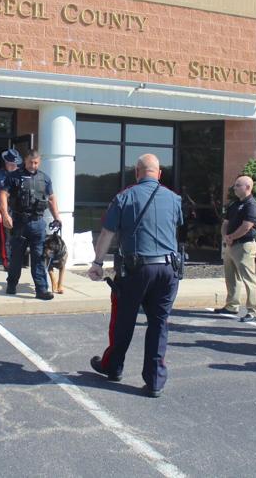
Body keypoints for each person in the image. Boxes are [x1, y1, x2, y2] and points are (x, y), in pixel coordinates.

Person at [87, 154, 183, 398]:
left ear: (137, 172)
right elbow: (174, 227)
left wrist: (98, 263)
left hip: (136, 270)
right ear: (159, 174)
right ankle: (155, 381)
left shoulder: (124, 197)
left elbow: (107, 233)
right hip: (168, 269)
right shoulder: (174, 198)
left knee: (124, 320)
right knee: (159, 324)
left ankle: (113, 366)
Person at [0, 150, 61, 300]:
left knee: (39, 257)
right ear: (25, 161)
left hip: (38, 223)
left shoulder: (45, 179)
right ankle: (12, 284)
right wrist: (5, 215)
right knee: (16, 257)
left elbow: (52, 199)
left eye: (36, 163)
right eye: (30, 162)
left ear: (39, 162)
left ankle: (41, 289)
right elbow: (3, 195)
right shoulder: (13, 177)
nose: (33, 165)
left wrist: (57, 217)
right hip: (20, 222)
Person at [212, 175, 256, 322]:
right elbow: (226, 223)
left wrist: (232, 237)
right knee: (231, 277)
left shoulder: (252, 205)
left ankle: (253, 311)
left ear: (247, 187)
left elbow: (247, 226)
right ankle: (231, 305)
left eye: (238, 185)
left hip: (244, 245)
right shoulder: (234, 204)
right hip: (231, 245)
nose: (234, 188)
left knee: (248, 278)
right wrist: (225, 236)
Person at [0, 149, 20, 270]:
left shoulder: (20, 173)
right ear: (6, 163)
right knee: (7, 237)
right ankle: (7, 262)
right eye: (11, 164)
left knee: (19, 236)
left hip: (19, 209)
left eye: (15, 164)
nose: (13, 166)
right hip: (5, 209)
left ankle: (18, 260)